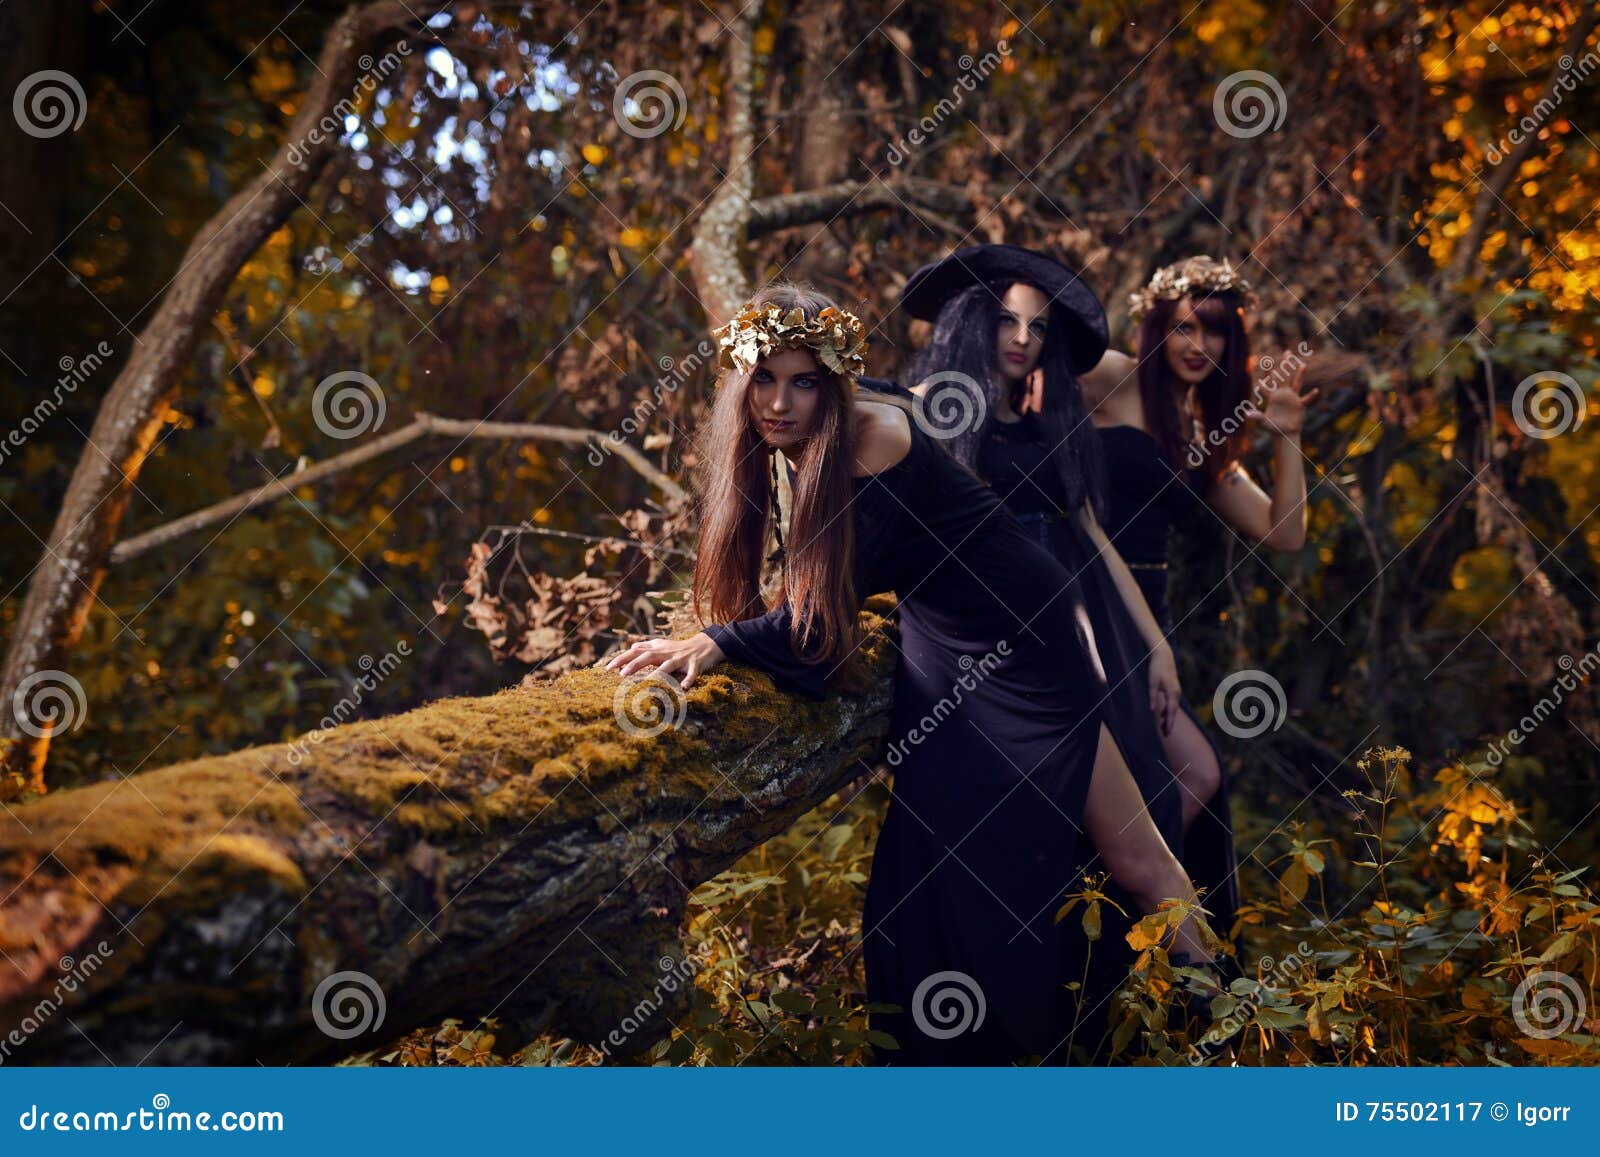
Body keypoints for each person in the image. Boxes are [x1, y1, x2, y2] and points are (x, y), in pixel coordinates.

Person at [604, 282, 1224, 1065]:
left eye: (803, 381)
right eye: (764, 378)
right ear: (738, 379)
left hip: (1023, 646)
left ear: (834, 379)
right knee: (932, 879)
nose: (780, 402)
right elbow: (820, 588)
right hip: (947, 643)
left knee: (1126, 858)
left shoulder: (869, 438)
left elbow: (813, 627)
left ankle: (1223, 1033)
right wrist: (726, 630)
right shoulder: (805, 437)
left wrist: (719, 644)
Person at [893, 243, 1224, 1059]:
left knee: (1149, 815)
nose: (1023, 338)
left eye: (1040, 329)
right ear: (974, 322)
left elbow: (1089, 535)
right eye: (1006, 319)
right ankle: (1070, 1015)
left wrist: (1153, 646)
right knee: (1051, 837)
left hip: (1081, 630)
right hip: (987, 646)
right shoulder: (932, 407)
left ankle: (1204, 1019)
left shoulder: (1047, 422)